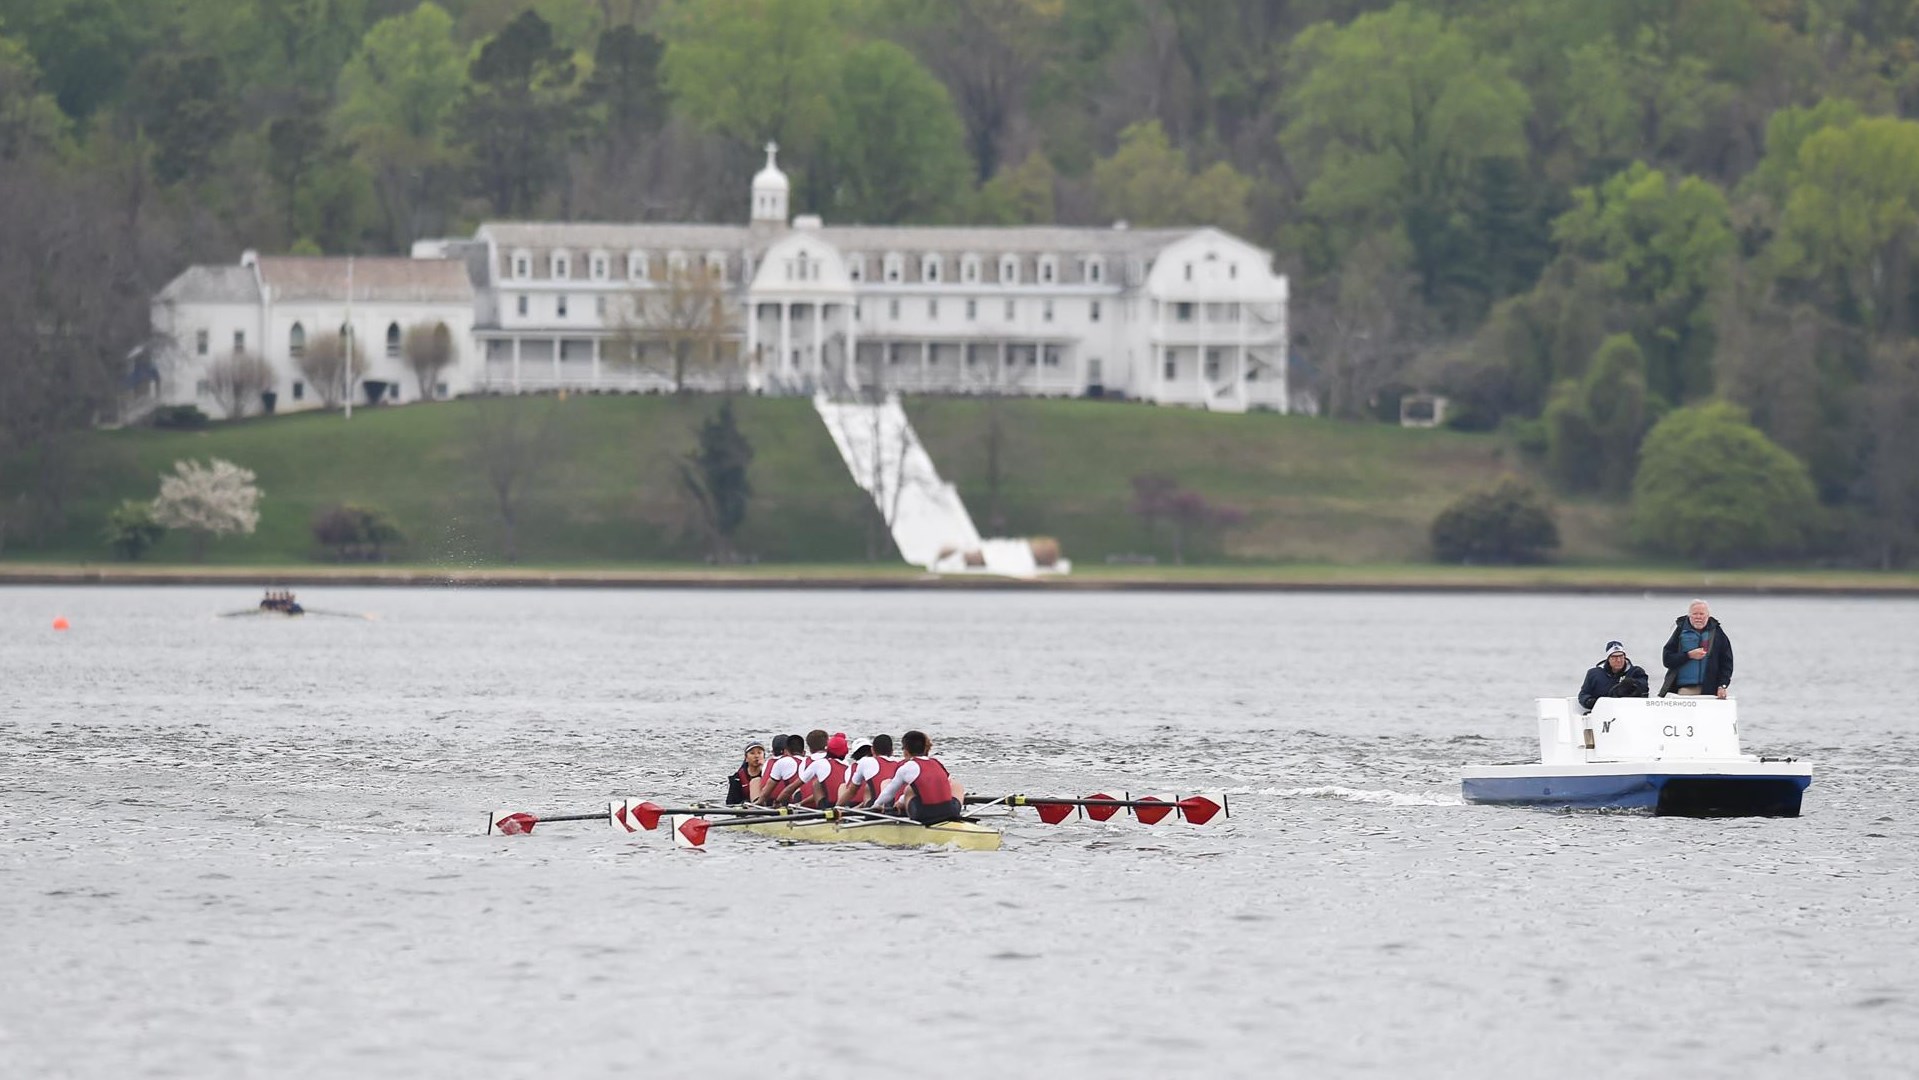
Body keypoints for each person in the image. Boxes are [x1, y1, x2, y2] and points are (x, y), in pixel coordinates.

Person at [871, 730, 964, 825]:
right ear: (925, 748)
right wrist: (901, 801)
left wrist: (876, 806)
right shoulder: (937, 763)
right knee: (956, 785)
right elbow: (945, 786)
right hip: (951, 812)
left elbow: (889, 793)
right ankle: (955, 816)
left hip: (925, 816)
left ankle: (912, 821)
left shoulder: (907, 767)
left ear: (906, 751)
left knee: (909, 789)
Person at [1661, 599, 1734, 699]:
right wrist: (1688, 655)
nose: (1698, 617)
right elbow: (1667, 659)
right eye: (1695, 614)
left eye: (1701, 614)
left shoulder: (1717, 633)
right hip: (1685, 689)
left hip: (1710, 689)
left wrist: (1723, 685)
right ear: (1689, 615)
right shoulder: (1680, 632)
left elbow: (1727, 663)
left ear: (1708, 616)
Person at [1578, 641, 1649, 712]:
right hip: (1602, 713)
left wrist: (1633, 683)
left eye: (1621, 656)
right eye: (1615, 657)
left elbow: (1644, 687)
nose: (1618, 660)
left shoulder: (1635, 672)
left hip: (1630, 712)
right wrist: (1590, 702)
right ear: (1608, 659)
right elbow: (1583, 694)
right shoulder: (1594, 674)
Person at [840, 734, 898, 806]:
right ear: (892, 751)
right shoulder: (899, 764)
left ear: (872, 750)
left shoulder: (864, 762)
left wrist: (837, 807)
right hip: (895, 808)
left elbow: (852, 791)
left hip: (875, 810)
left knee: (864, 788)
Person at [756, 735, 805, 805]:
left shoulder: (767, 762)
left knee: (755, 780)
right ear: (787, 750)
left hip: (767, 802)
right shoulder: (792, 761)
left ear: (773, 752)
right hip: (785, 803)